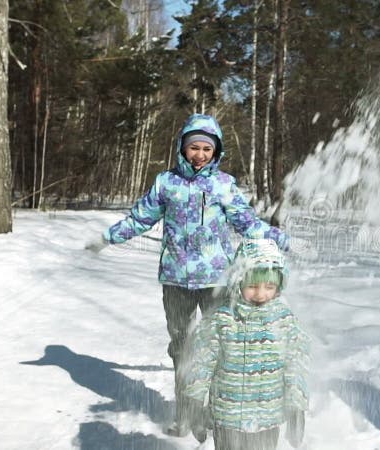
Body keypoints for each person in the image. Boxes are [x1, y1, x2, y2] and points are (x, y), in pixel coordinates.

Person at [100, 113, 289, 436]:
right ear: (182, 149)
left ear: (216, 152)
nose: (199, 154)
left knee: (219, 345)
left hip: (216, 280)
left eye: (206, 149)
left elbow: (246, 223)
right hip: (175, 280)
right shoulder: (166, 183)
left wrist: (274, 236)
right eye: (194, 147)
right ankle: (187, 414)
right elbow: (141, 218)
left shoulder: (223, 184)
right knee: (183, 347)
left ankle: (218, 410)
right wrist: (109, 236)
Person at [183, 239, 309, 449]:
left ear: (279, 285)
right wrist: (194, 402)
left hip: (267, 419)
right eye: (252, 286)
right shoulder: (221, 319)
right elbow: (202, 361)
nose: (261, 294)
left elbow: (296, 366)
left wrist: (297, 408)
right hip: (227, 419)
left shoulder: (285, 321)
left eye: (269, 286)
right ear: (238, 282)